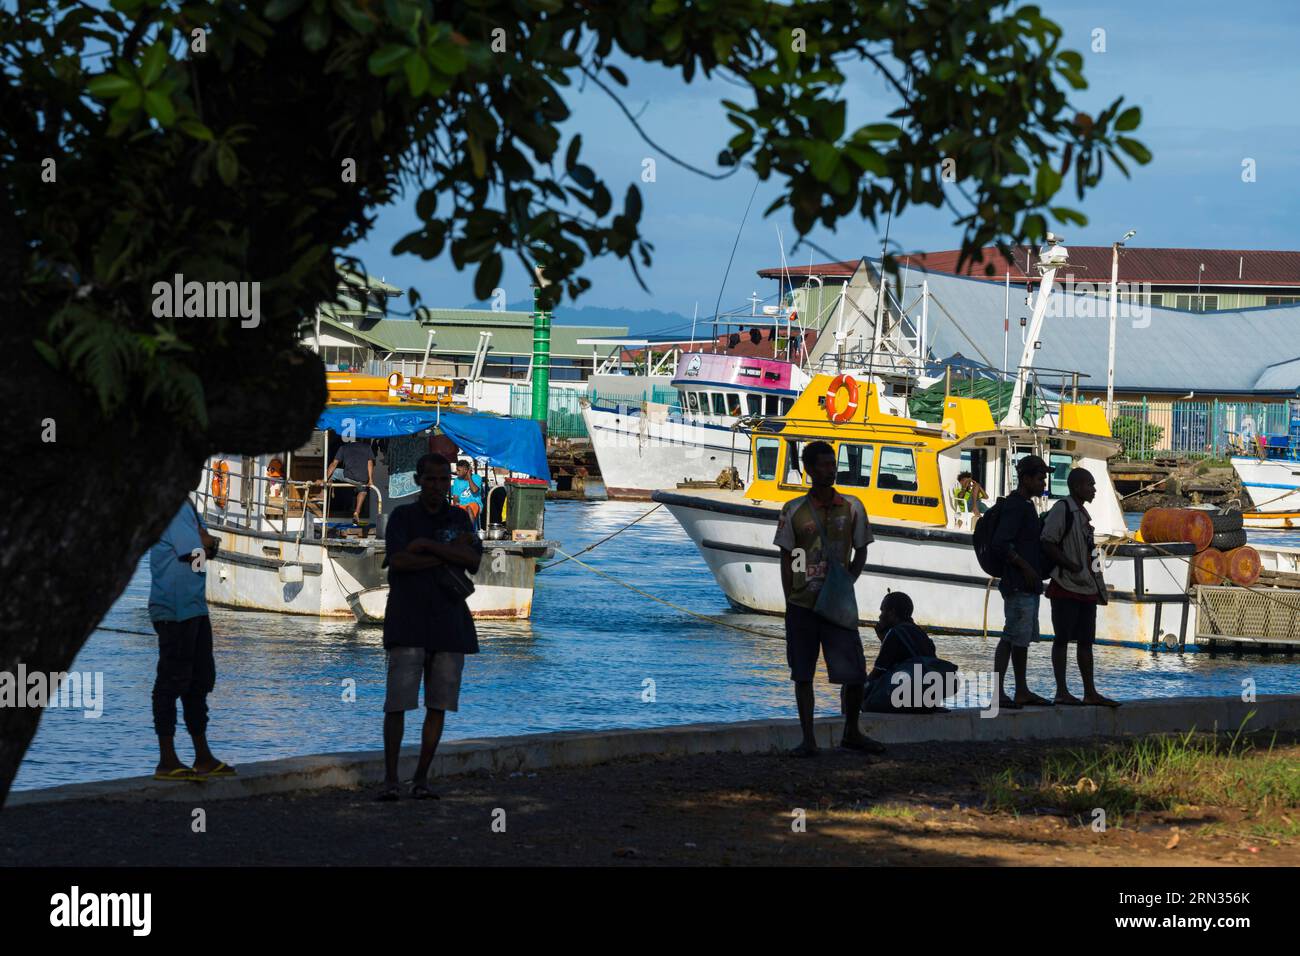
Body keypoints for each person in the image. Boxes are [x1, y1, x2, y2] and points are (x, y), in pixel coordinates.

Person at [378, 453, 483, 801]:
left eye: (443, 479)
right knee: (397, 704)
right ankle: (391, 780)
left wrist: (425, 547)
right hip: (407, 621)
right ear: (419, 480)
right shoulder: (403, 516)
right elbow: (399, 560)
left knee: (438, 705)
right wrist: (445, 552)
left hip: (450, 624)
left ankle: (420, 779)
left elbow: (473, 560)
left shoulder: (459, 517)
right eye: (431, 479)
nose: (437, 485)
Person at [774, 440, 885, 757]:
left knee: (855, 671)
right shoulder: (792, 510)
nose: (829, 470)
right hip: (802, 604)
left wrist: (850, 577)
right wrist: (790, 597)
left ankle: (852, 731)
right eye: (823, 465)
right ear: (809, 469)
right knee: (803, 673)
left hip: (838, 603)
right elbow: (790, 556)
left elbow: (862, 547)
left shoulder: (852, 507)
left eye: (832, 464)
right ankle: (808, 739)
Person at [147, 498, 235, 781]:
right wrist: (205, 543)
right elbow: (194, 551)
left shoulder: (187, 505)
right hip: (174, 609)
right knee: (171, 681)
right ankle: (167, 758)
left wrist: (207, 543)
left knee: (199, 681)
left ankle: (202, 756)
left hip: (193, 607)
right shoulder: (173, 507)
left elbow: (206, 552)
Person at [1040, 467, 1120, 707]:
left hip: (1086, 587)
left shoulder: (1082, 515)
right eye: (1090, 485)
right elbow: (1047, 541)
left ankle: (1089, 691)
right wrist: (1070, 565)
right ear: (1077, 487)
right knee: (1062, 638)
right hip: (1065, 585)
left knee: (1086, 641)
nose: (1094, 489)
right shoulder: (1062, 510)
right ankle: (1062, 691)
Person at [990, 454, 1054, 710]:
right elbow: (1001, 542)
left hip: (1025, 584)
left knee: (1020, 638)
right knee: (1010, 636)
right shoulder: (1017, 506)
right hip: (1018, 583)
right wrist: (1025, 567)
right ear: (1026, 478)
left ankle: (1021, 689)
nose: (1043, 483)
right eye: (1039, 478)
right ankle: (1000, 692)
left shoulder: (1026, 506)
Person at [865, 592, 942, 713]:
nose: (880, 616)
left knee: (850, 688)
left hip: (905, 698)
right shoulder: (921, 633)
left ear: (892, 612)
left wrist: (862, 685)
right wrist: (883, 640)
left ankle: (849, 728)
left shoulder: (894, 633)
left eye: (882, 610)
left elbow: (878, 672)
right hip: (927, 700)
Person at [327, 434, 375, 526]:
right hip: (362, 479)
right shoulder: (367, 447)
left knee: (334, 471)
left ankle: (323, 492)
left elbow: (334, 463)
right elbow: (370, 464)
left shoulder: (344, 447)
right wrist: (371, 480)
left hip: (349, 476)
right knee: (363, 491)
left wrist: (324, 479)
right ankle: (357, 512)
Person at [450, 459, 483, 524]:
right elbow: (455, 497)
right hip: (461, 505)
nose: (457, 472)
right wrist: (456, 504)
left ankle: (471, 531)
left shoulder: (477, 478)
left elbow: (474, 490)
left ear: (466, 470)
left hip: (475, 504)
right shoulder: (457, 480)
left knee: (469, 508)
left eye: (459, 470)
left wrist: (469, 477)